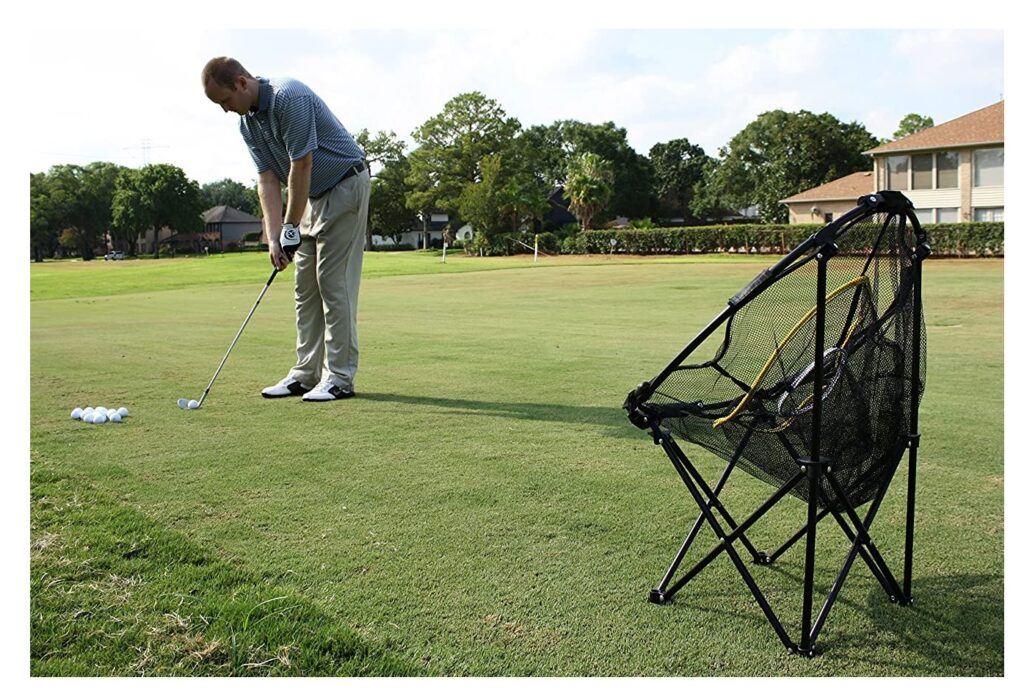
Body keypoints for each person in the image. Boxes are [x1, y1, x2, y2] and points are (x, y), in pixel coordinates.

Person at [202, 57, 369, 402]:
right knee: (304, 287)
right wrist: (274, 237)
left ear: (241, 83)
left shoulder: (289, 97)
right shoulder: (248, 125)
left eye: (225, 100)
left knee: (332, 282)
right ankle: (305, 374)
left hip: (345, 184)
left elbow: (301, 164)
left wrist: (290, 228)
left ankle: (339, 378)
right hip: (311, 196)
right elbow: (267, 180)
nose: (225, 110)